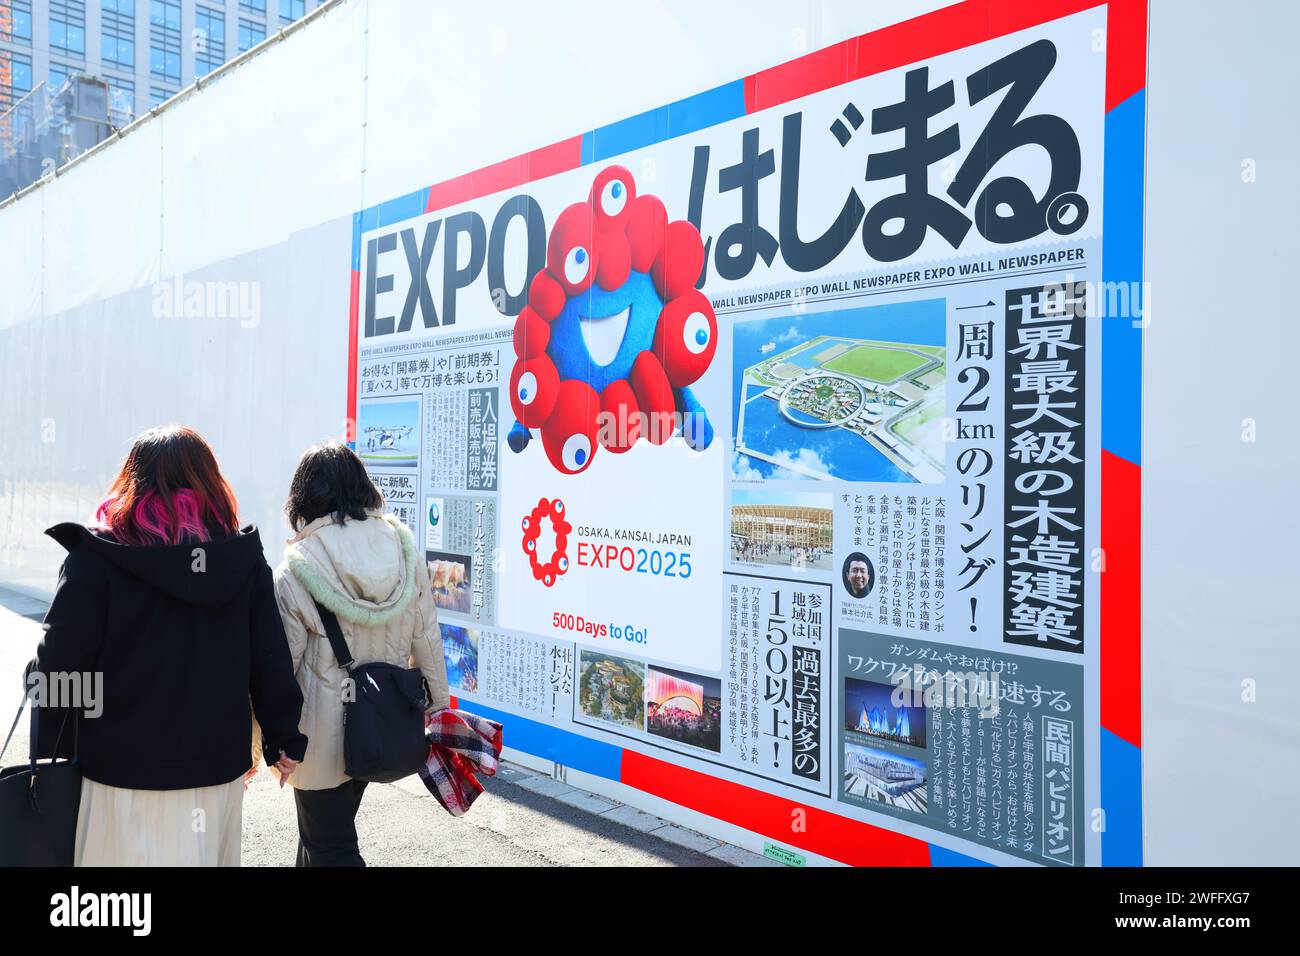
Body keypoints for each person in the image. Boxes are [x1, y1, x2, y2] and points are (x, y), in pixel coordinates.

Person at [32, 425, 307, 866]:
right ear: (211, 485)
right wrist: (283, 739)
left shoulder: (95, 560)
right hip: (214, 773)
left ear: (129, 482)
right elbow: (270, 660)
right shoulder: (242, 562)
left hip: (118, 773)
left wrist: (53, 742)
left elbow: (57, 672)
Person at [273, 442, 450, 866]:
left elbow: (282, 671)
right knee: (320, 839)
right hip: (380, 729)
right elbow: (427, 638)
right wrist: (438, 707)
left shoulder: (296, 570)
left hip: (318, 740)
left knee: (331, 848)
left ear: (303, 497)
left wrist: (267, 741)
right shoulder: (405, 552)